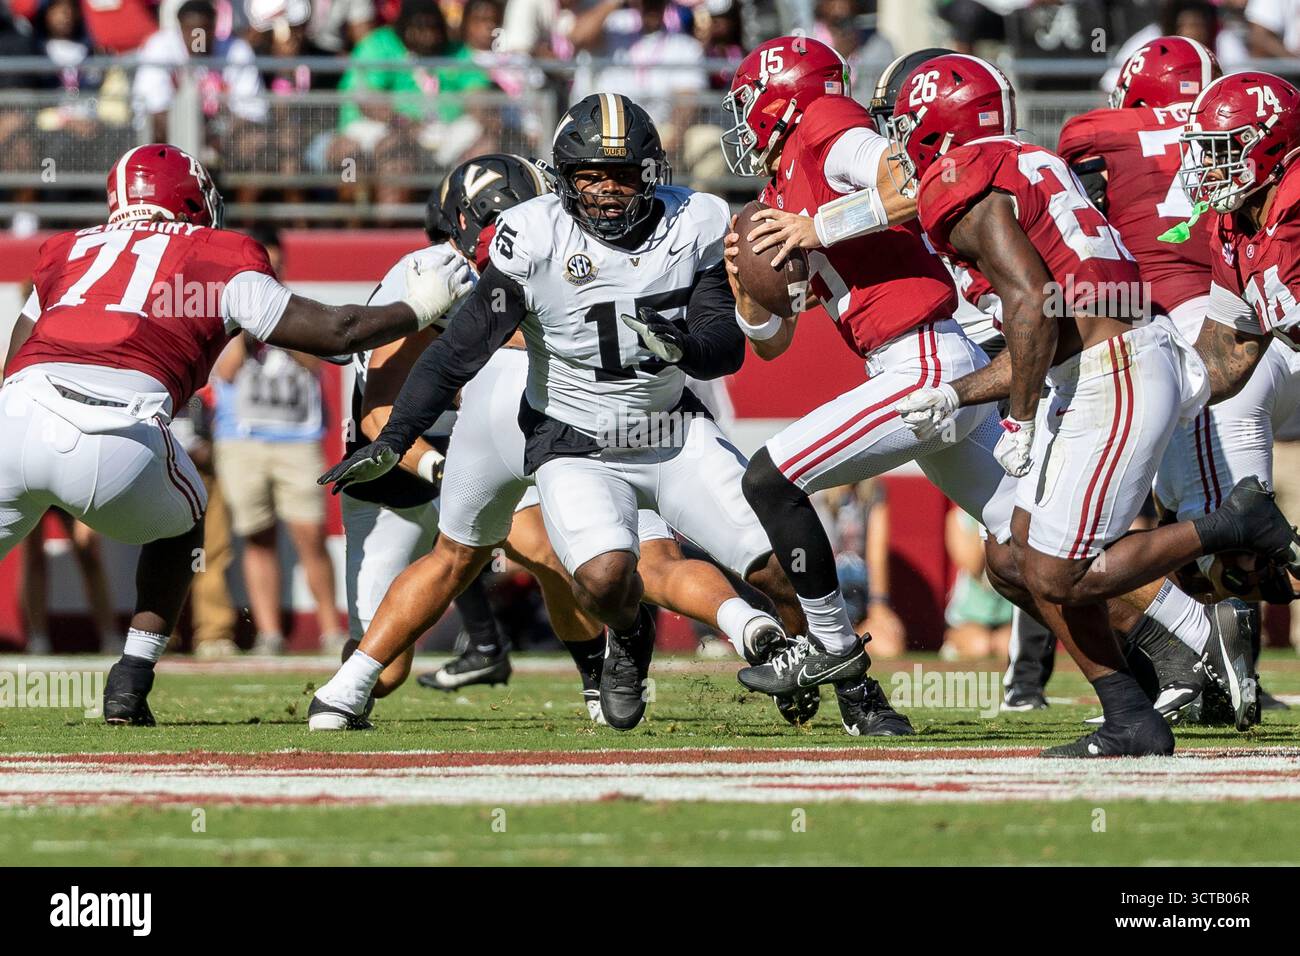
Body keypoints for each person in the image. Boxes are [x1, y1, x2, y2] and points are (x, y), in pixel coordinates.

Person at [311, 94, 808, 734]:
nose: (605, 193)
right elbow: (422, 361)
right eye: (588, 178)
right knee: (603, 561)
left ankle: (348, 689)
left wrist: (405, 438)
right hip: (557, 411)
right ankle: (651, 660)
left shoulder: (477, 253)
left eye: (619, 175)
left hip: (544, 413)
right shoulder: (490, 253)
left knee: (479, 557)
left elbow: (420, 363)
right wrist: (407, 435)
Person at [887, 54, 1299, 755]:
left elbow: (1030, 310)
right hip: (1127, 362)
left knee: (1057, 571)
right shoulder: (1234, 225)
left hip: (1115, 370)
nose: (1204, 168)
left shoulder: (964, 180)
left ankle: (1233, 522)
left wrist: (1015, 417)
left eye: (1224, 151)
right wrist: (957, 393)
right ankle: (1131, 715)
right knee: (1017, 559)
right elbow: (1230, 359)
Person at [1, 143, 473, 725]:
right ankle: (130, 678)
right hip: (114, 435)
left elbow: (15, 361)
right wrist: (416, 309)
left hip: (17, 416)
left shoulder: (63, 250)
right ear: (192, 199)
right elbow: (336, 331)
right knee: (185, 517)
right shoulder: (221, 253)